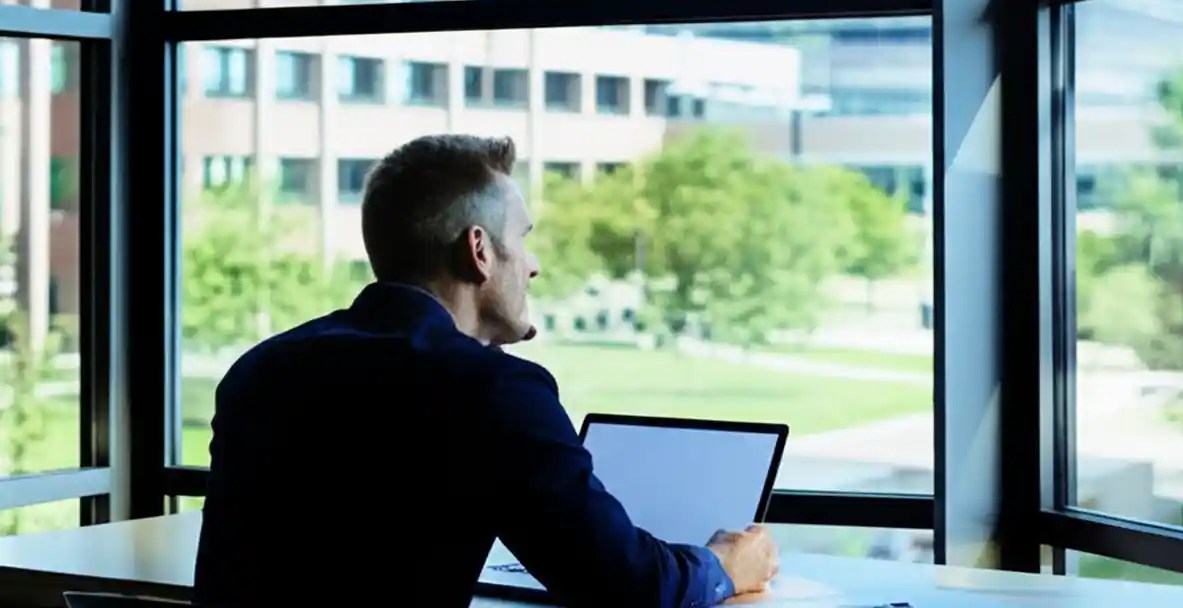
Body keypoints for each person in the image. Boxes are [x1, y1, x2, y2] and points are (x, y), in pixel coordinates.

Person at [193, 135, 780, 607]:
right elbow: (627, 584)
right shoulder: (487, 393)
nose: (533, 265)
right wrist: (725, 566)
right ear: (479, 251)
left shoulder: (263, 368)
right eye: (522, 240)